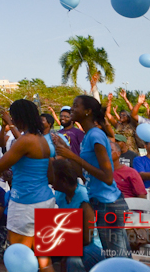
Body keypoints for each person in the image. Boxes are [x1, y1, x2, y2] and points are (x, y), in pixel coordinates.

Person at [0, 100, 55, 272]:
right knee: (45, 260)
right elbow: (50, 175)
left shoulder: (26, 140)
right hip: (46, 200)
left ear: (18, 117)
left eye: (12, 116)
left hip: (25, 204)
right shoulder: (43, 140)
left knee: (21, 261)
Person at [53, 95, 132, 259]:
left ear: (88, 112)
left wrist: (73, 156)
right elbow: (83, 174)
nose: (71, 109)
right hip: (99, 200)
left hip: (109, 203)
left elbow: (108, 177)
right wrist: (66, 149)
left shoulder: (95, 135)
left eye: (75, 106)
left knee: (118, 258)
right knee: (114, 257)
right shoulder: (88, 136)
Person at [50, 158, 103, 272]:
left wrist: (63, 248)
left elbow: (87, 238)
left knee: (73, 259)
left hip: (93, 246)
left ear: (63, 180)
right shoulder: (60, 195)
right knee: (39, 253)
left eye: (52, 176)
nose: (49, 179)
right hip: (72, 241)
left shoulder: (83, 197)